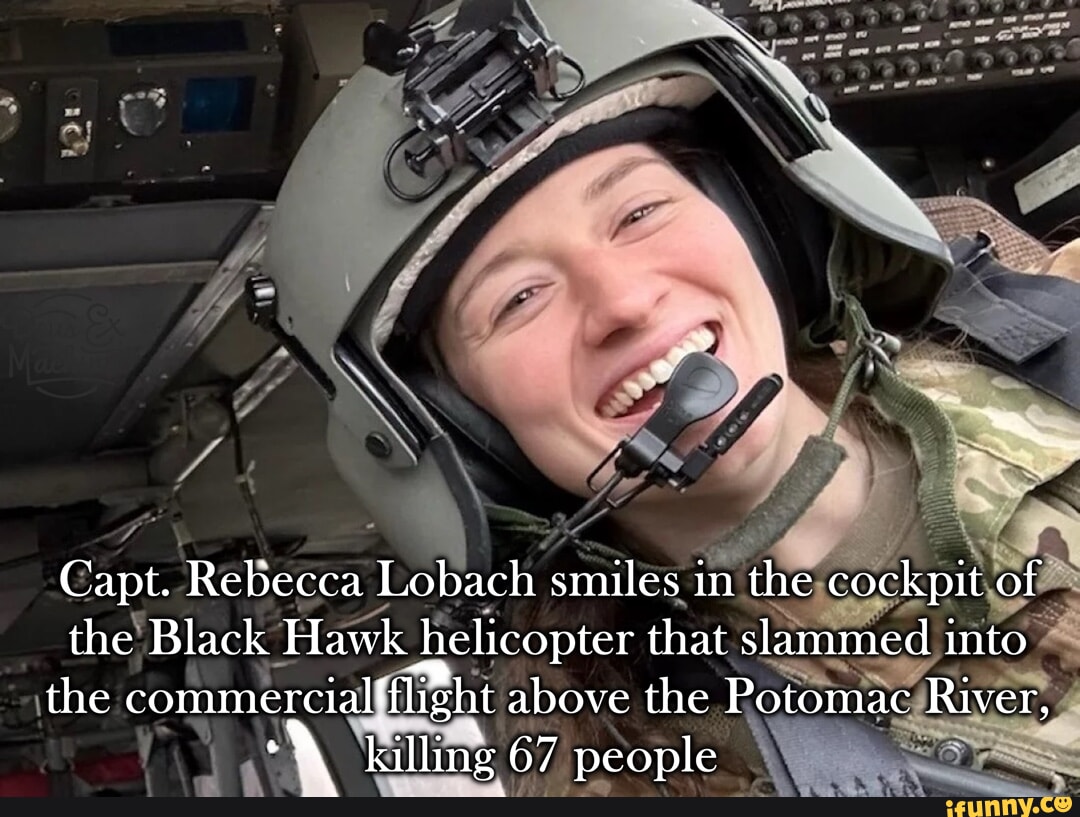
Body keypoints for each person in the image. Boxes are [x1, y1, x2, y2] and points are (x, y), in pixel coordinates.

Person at [258, 0, 1080, 797]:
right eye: (518, 299)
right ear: (464, 434)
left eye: (640, 211)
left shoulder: (1057, 338)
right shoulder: (618, 763)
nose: (622, 302)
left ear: (765, 226)